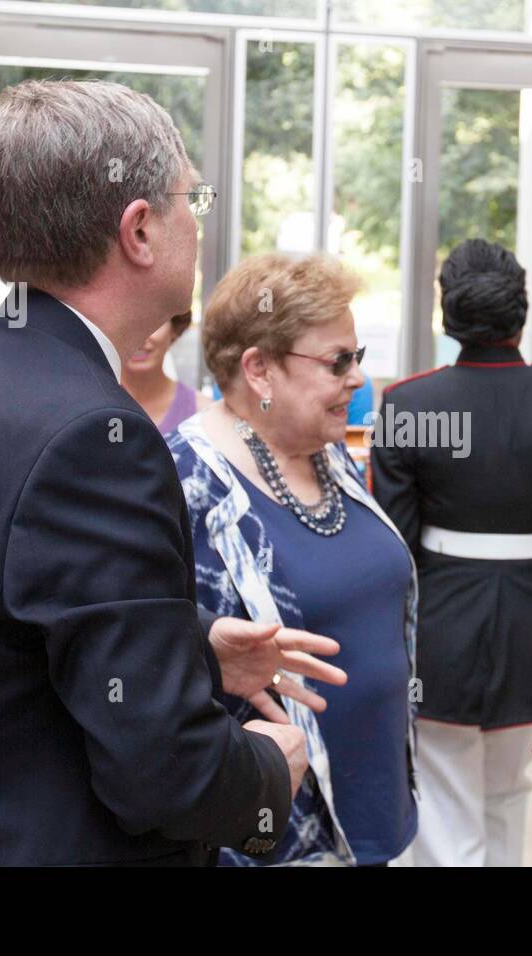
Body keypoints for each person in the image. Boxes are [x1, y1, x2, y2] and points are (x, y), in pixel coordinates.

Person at [0, 80, 336, 865]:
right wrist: (266, 772)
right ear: (140, 230)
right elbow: (164, 775)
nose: (200, 224)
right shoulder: (95, 435)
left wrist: (184, 643)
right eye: (194, 200)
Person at [170, 252, 418, 866]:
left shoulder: (327, 456)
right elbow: (150, 651)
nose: (357, 378)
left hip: (371, 808)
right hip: (277, 830)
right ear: (259, 369)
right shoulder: (184, 482)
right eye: (338, 361)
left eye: (357, 357)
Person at [371, 239, 532, 867]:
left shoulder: (407, 403)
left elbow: (394, 542)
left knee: (443, 800)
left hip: (440, 622)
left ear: (449, 318)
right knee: (509, 792)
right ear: (520, 315)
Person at [122, 310, 208, 434]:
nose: (140, 338)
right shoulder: (88, 403)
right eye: (127, 325)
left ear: (175, 330)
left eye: (153, 324)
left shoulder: (202, 414)